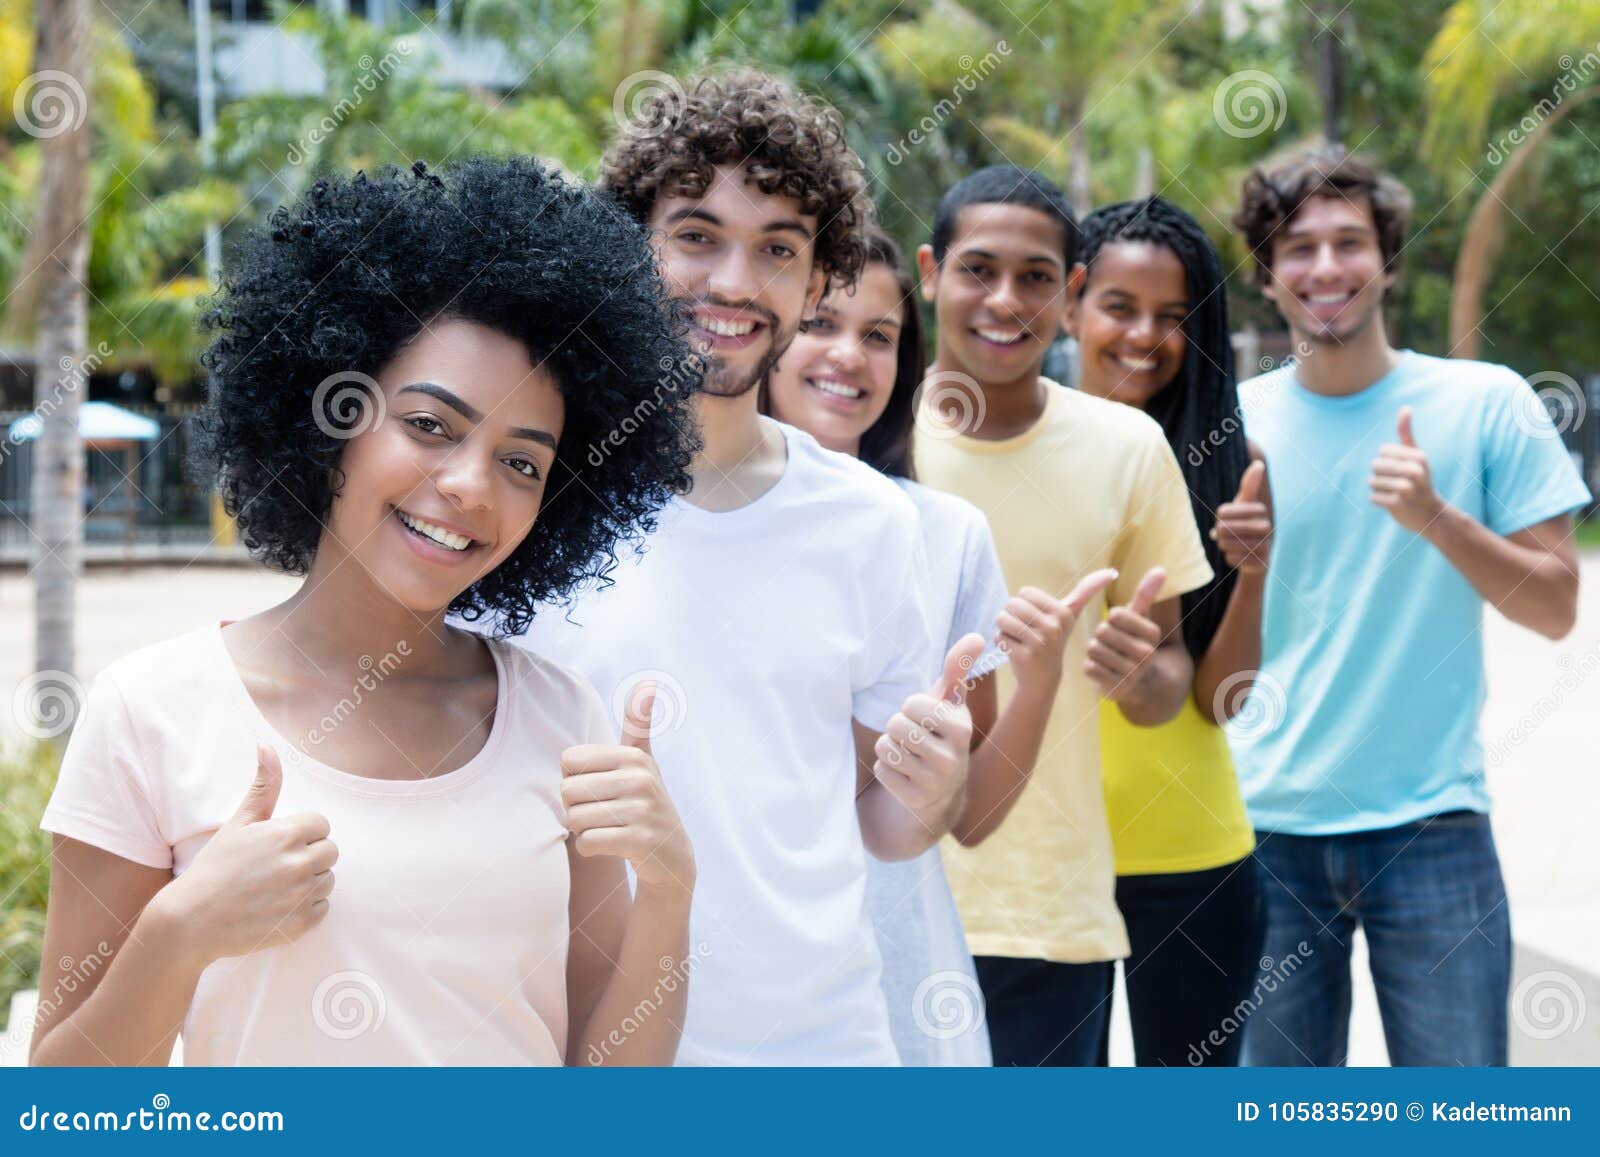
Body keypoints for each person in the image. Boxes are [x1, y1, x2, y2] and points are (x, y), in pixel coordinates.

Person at [30, 159, 700, 1066]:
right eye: (429, 425)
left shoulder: (565, 720)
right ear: (331, 415)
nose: (467, 486)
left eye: (522, 462)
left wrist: (669, 890)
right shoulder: (150, 710)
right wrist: (178, 934)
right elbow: (68, 1111)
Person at [521, 70, 982, 1066]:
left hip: (823, 1052)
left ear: (815, 283)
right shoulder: (530, 499)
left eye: (776, 248)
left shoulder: (868, 522)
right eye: (695, 235)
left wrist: (935, 784)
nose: (733, 281)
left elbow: (884, 824)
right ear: (628, 248)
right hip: (582, 1053)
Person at [1230, 147, 1590, 1067]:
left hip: (1434, 828)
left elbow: (1554, 606)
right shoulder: (1230, 427)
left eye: (1349, 242)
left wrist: (1436, 518)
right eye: (1297, 246)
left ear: (1387, 261)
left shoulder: (1487, 403)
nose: (1325, 267)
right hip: (1266, 831)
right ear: (1267, 276)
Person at [766, 226, 1096, 1065]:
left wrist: (1044, 676)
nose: (849, 355)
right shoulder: (684, 519)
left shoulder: (945, 534)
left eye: (879, 336)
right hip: (723, 958)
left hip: (894, 960)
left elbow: (971, 815)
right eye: (819, 323)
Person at [911, 166, 1214, 1066]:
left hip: (1046, 917)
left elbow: (1167, 683)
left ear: (1072, 292)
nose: (1006, 299)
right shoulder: (862, 441)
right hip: (876, 895)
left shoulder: (1129, 447)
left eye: (1037, 276)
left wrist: (1139, 670)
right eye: (978, 269)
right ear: (931, 273)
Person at [1068, 196, 1271, 1066]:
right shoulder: (999, 442)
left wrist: (1255, 568)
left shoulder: (1234, 465)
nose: (1143, 334)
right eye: (1120, 305)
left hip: (1189, 854)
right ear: (1074, 300)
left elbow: (1223, 700)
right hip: (1038, 856)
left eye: (1172, 316)